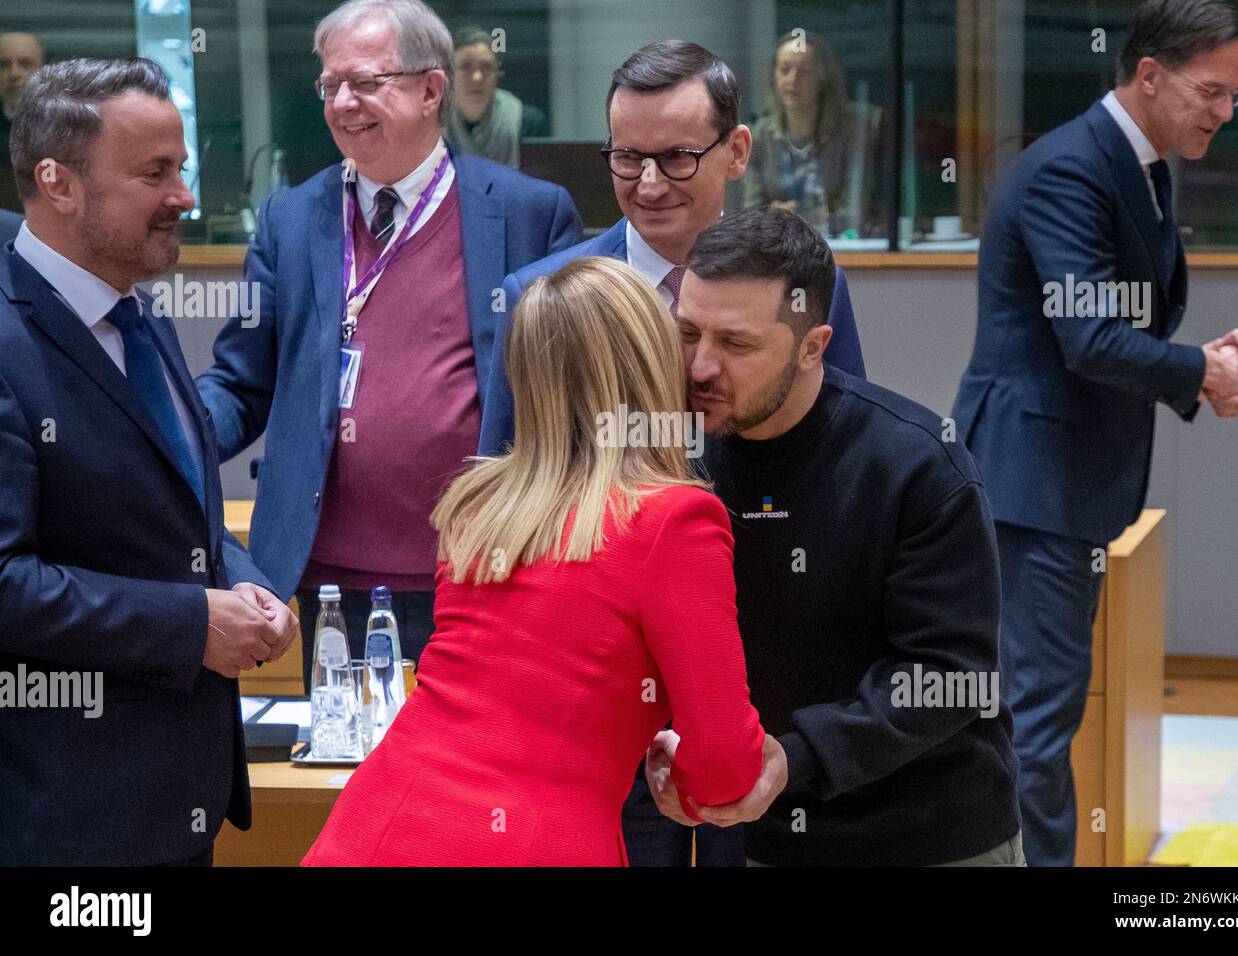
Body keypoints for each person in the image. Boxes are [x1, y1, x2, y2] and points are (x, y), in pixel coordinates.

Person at [302, 256, 766, 866]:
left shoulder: (478, 505)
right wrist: (684, 771)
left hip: (375, 826)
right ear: (652, 366)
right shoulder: (675, 521)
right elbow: (726, 771)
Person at [949, 0, 1238, 867]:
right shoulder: (1071, 171)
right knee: (1036, 724)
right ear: (1150, 74)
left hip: (1064, 480)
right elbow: (1088, 336)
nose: (1223, 112)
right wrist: (1203, 370)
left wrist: (1206, 365)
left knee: (1038, 715)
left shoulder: (1142, 164)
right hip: (1034, 480)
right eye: (1211, 91)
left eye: (1236, 96)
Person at [196, 0, 583, 685]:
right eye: (329, 85)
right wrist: (165, 433)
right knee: (346, 783)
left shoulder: (528, 213)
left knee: (473, 777)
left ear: (432, 89)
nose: (343, 102)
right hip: (327, 583)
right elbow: (240, 380)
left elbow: (572, 403)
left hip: (482, 570)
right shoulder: (290, 219)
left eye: (367, 82)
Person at [635, 207, 1022, 866]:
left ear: (814, 346)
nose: (699, 367)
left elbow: (948, 676)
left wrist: (795, 757)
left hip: (932, 838)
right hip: (770, 836)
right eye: (687, 332)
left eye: (735, 344)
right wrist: (671, 743)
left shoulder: (919, 466)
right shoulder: (674, 457)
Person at [0, 58, 297, 866]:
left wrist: (246, 584)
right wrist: (193, 623)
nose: (186, 197)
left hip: (175, 797)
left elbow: (180, 508)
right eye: (154, 173)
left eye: (183, 169)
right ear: (59, 183)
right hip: (65, 818)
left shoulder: (135, 308)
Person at [478, 39, 865, 460]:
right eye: (628, 157)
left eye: (677, 157)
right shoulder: (539, 298)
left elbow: (846, 453)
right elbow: (508, 482)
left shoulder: (804, 287)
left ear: (736, 153)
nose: (650, 184)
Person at [743, 30, 885, 238]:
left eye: (805, 71)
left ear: (823, 78)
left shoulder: (852, 132)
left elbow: (855, 216)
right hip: (777, 252)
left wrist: (789, 218)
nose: (793, 79)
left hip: (839, 248)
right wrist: (780, 217)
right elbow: (749, 217)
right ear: (774, 76)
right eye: (784, 70)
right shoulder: (759, 136)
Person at [445, 25, 546, 168]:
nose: (477, 77)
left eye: (486, 66)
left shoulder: (528, 123)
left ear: (497, 73)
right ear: (449, 74)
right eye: (465, 66)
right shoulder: (432, 123)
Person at [0, 32, 44, 213]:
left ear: (43, 70)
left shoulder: (65, 125)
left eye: (25, 64)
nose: (14, 74)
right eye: (3, 65)